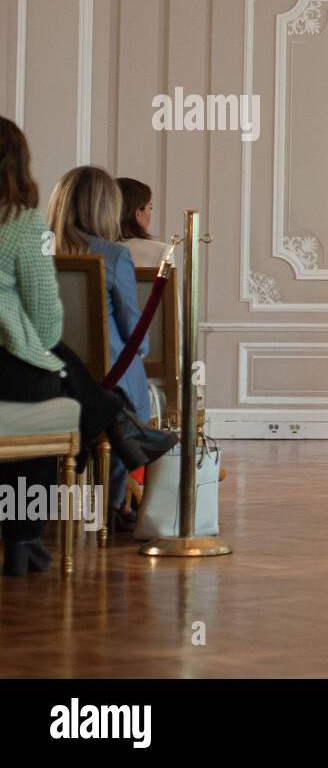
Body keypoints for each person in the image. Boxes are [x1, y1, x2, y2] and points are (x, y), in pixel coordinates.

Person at [0, 119, 173, 575]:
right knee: (53, 374)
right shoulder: (19, 224)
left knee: (56, 370)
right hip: (28, 370)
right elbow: (47, 320)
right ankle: (119, 430)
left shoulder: (42, 235)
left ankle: (118, 424)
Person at [47, 166, 160, 529]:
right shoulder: (113, 255)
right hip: (105, 377)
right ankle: (117, 504)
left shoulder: (37, 248)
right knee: (132, 378)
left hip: (47, 372)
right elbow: (135, 330)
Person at [117, 177, 170, 270]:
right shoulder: (161, 251)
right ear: (138, 212)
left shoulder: (91, 248)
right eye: (150, 208)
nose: (150, 213)